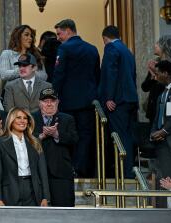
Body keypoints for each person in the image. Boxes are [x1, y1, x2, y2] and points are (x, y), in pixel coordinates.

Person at [53, 19, 100, 177]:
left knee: (67, 135)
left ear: (68, 31)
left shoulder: (64, 48)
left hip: (68, 102)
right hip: (88, 102)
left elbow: (59, 75)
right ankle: (82, 169)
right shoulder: (92, 49)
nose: (58, 37)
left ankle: (70, 168)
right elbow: (96, 76)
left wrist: (54, 96)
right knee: (86, 136)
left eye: (59, 33)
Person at [98, 25, 138, 178]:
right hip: (129, 99)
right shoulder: (127, 50)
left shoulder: (111, 48)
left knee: (119, 137)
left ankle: (125, 172)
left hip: (117, 101)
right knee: (126, 135)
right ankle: (128, 170)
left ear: (105, 38)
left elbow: (110, 73)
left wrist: (109, 97)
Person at [0, 107, 50, 206]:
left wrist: (46, 197)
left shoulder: (35, 142)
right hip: (10, 191)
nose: (22, 121)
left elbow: (43, 171)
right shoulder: (0, 143)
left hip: (33, 191)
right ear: (11, 120)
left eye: (25, 118)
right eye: (18, 117)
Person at [32, 88, 78, 207]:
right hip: (36, 175)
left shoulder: (67, 119)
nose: (48, 104)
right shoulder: (30, 118)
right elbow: (24, 140)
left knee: (64, 213)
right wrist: (41, 136)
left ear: (58, 102)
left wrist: (56, 134)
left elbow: (74, 140)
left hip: (61, 175)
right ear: (39, 103)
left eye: (52, 101)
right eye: (45, 100)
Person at [142, 35, 171, 124]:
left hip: (169, 106)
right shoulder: (157, 62)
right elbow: (144, 87)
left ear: (164, 46)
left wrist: (156, 73)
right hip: (154, 108)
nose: (155, 45)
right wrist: (152, 75)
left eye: (158, 43)